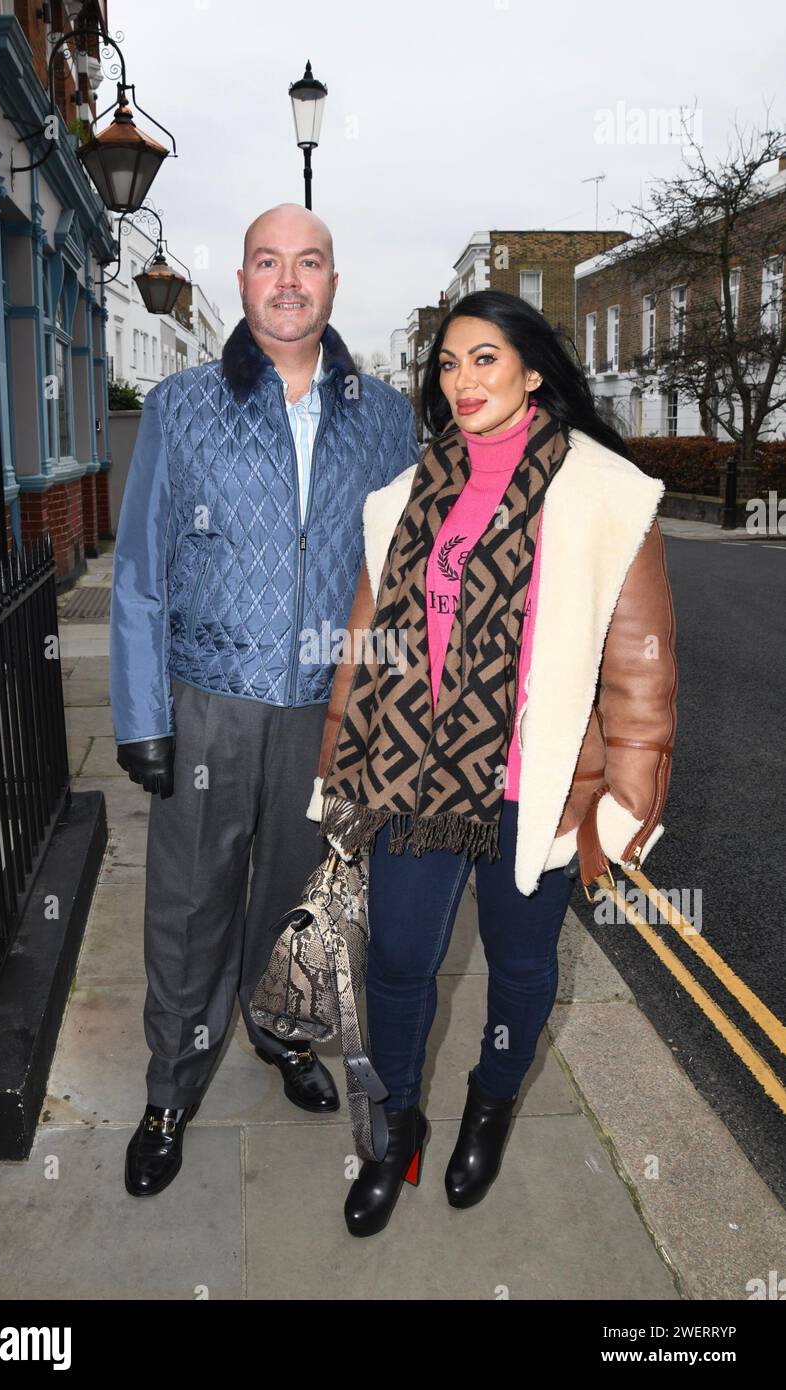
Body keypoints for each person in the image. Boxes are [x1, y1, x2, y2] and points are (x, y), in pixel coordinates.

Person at [307, 289, 678, 1236]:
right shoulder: (404, 496)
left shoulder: (602, 493)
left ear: (532, 369)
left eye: (483, 359)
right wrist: (340, 769)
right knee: (396, 957)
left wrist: (626, 803)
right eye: (447, 363)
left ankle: (491, 1102)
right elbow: (367, 648)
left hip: (538, 785)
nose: (461, 380)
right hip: (413, 777)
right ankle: (394, 1128)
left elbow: (641, 670)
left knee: (518, 966)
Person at [110, 203, 419, 1197]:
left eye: (309, 263)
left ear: (333, 282)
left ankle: (279, 1034)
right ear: (243, 281)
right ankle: (169, 1087)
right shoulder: (180, 407)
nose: (288, 280)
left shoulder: (384, 417)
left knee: (299, 904)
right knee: (189, 905)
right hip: (207, 705)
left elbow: (402, 574)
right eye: (267, 262)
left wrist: (389, 715)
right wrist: (143, 715)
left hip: (324, 712)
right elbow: (141, 573)